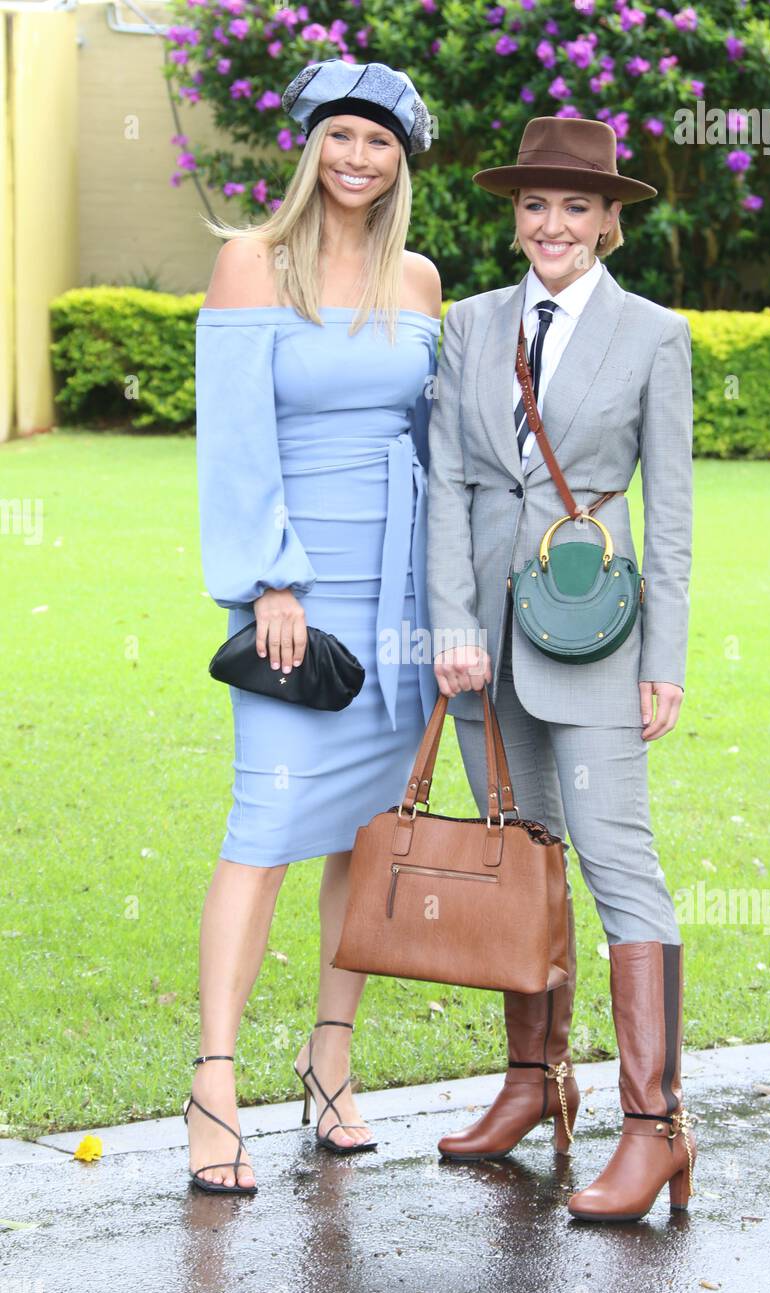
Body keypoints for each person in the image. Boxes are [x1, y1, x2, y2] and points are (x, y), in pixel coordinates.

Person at [425, 118, 697, 1221]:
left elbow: (669, 514)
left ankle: (654, 1127)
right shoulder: (467, 324)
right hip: (477, 645)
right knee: (519, 868)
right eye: (535, 206)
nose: (552, 226)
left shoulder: (652, 336)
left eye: (576, 208)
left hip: (589, 634)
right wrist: (450, 619)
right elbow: (446, 481)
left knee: (612, 862)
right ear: (515, 216)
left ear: (609, 222)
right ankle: (533, 1085)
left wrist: (663, 656)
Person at [185, 58, 441, 1192]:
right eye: (340, 136)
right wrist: (269, 584)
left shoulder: (420, 282)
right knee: (264, 829)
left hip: (400, 599)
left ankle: (330, 1057)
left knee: (366, 837)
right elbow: (234, 441)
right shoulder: (252, 263)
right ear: (310, 144)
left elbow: (441, 450)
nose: (355, 159)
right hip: (296, 590)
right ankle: (213, 1079)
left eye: (377, 143)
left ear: (401, 161)